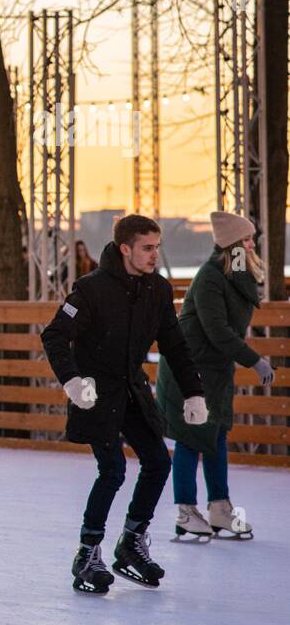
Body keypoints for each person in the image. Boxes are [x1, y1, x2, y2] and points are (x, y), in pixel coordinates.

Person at [40, 214, 207, 594]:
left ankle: (131, 541)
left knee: (158, 461)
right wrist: (73, 381)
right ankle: (87, 552)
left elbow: (175, 346)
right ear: (125, 249)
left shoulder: (158, 291)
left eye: (157, 247)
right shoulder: (90, 289)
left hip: (132, 390)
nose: (154, 255)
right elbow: (53, 336)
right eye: (147, 248)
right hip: (95, 395)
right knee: (113, 470)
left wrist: (194, 391)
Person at [157, 211, 269, 541]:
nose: (251, 244)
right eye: (246, 239)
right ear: (232, 245)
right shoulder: (208, 278)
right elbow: (217, 330)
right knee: (192, 439)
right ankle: (185, 512)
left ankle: (219, 509)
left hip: (215, 369)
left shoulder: (235, 272)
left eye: (252, 238)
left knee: (217, 436)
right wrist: (255, 361)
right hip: (190, 370)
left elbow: (229, 323)